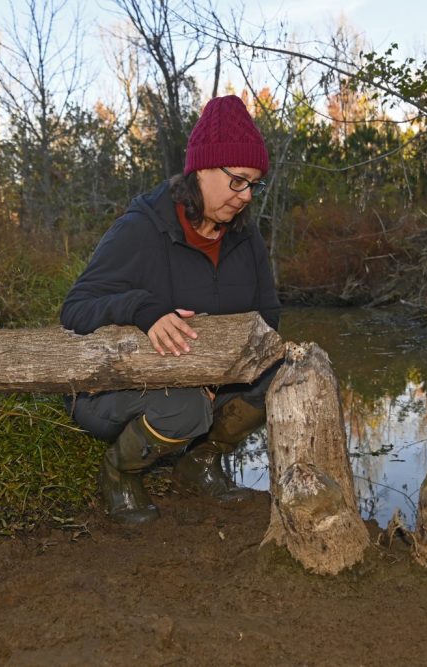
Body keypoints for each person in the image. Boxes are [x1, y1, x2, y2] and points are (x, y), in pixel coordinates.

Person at [60, 95, 281, 524]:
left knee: (279, 376)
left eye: (255, 184)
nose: (246, 196)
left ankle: (197, 464)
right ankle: (120, 474)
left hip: (206, 380)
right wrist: (142, 308)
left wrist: (229, 369)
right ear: (201, 169)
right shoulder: (141, 229)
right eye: (238, 180)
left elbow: (267, 316)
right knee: (184, 405)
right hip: (113, 389)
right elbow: (75, 309)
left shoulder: (245, 239)